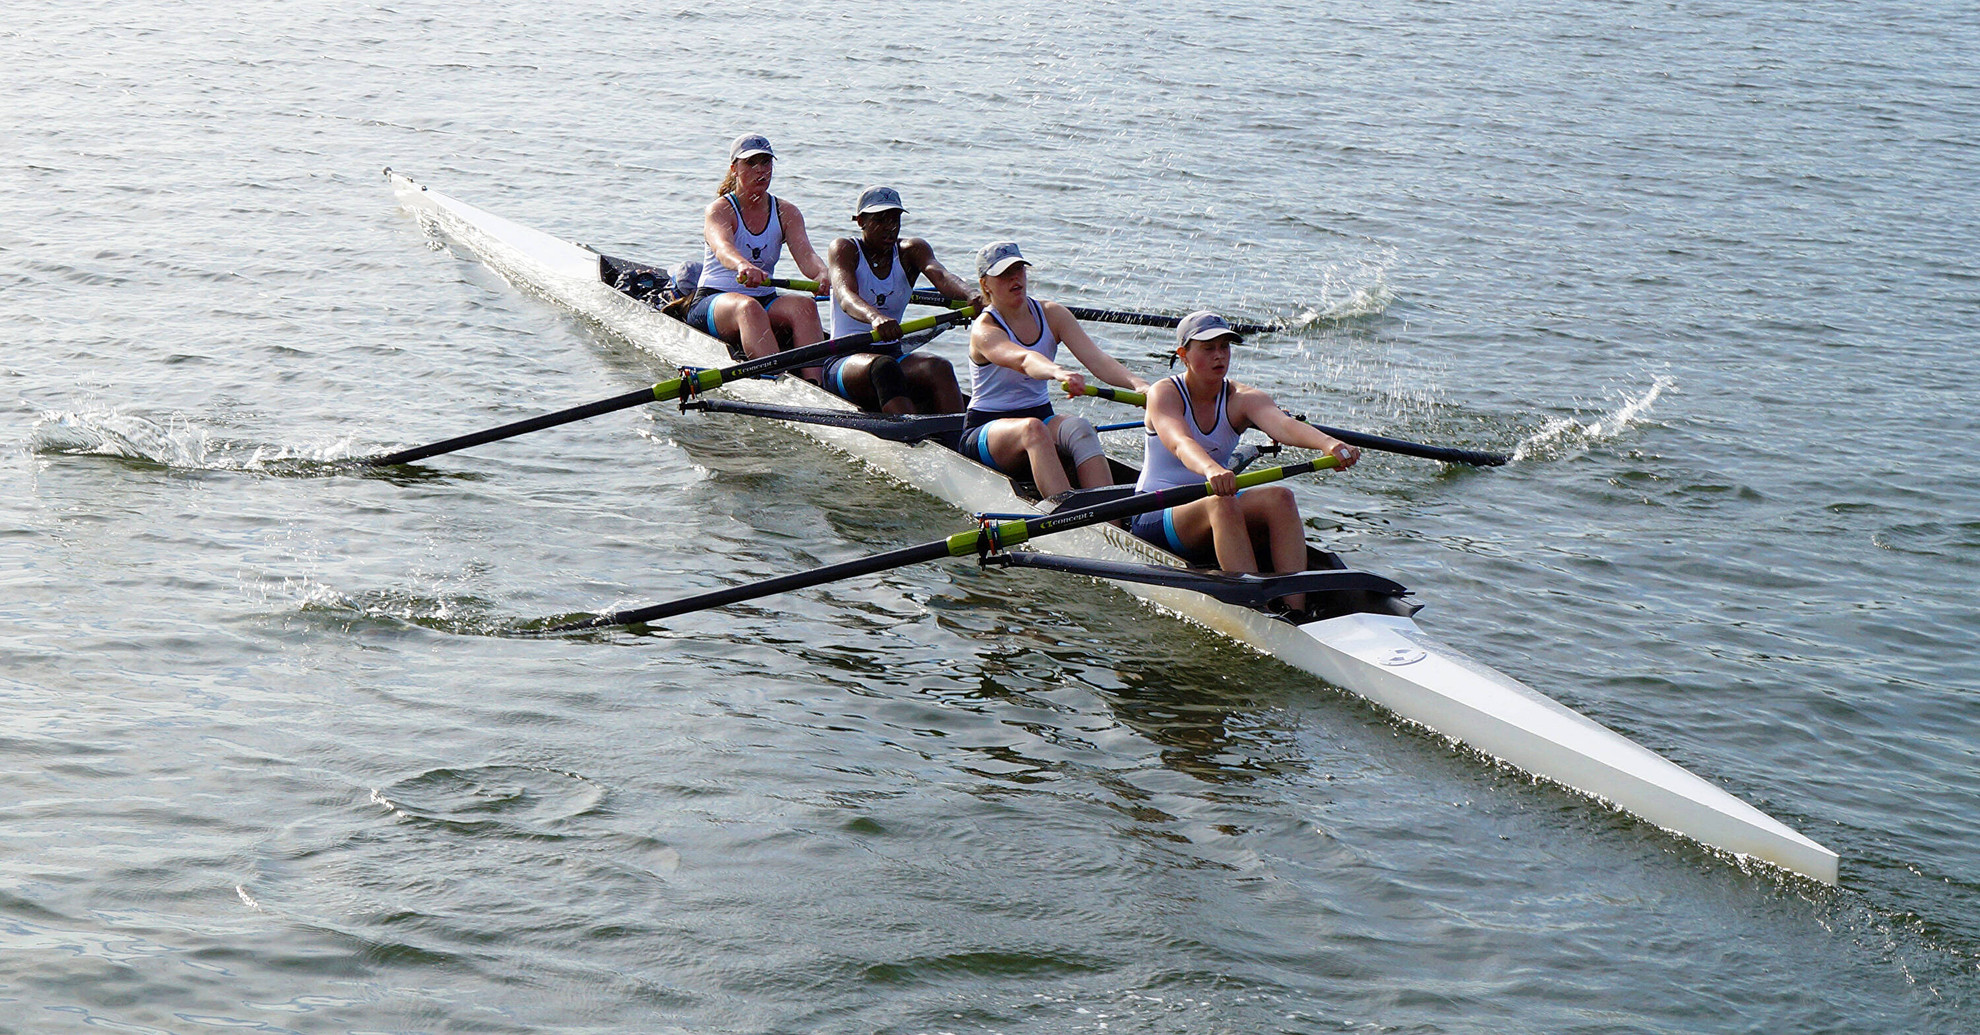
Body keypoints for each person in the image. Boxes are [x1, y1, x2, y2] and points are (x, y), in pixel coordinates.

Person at [1129, 311, 1360, 611]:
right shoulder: (1164, 393)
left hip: (1214, 498)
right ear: (1183, 354)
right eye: (1208, 348)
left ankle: (1295, 610)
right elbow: (1180, 442)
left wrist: (1330, 444)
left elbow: (1282, 426)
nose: (1219, 356)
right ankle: (1256, 608)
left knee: (1280, 498)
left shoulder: (1244, 398)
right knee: (1222, 500)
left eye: (1224, 347)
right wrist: (1212, 469)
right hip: (1155, 511)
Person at [962, 241, 1150, 499]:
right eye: (1004, 274)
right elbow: (1024, 360)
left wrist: (1140, 386)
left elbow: (1097, 360)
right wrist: (1058, 372)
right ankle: (1069, 519)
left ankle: (1110, 525)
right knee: (1032, 429)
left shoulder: (1052, 314)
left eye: (1019, 269)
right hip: (987, 429)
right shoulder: (985, 329)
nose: (1015, 278)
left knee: (1080, 428)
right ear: (985, 284)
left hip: (1040, 416)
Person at [824, 186, 982, 414]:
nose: (891, 227)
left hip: (893, 354)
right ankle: (911, 435)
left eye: (895, 219)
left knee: (940, 368)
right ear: (860, 221)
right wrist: (875, 317)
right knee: (884, 369)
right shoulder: (845, 248)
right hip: (844, 360)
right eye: (881, 219)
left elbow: (941, 275)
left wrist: (972, 295)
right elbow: (846, 296)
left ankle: (958, 440)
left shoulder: (912, 250)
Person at [686, 133, 830, 379]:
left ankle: (815, 384)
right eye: (751, 163)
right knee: (748, 308)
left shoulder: (787, 212)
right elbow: (723, 249)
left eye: (766, 162)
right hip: (714, 301)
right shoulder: (720, 210)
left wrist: (823, 274)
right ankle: (777, 382)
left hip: (765, 299)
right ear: (734, 169)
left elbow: (807, 257)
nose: (760, 170)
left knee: (805, 306)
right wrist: (742, 265)